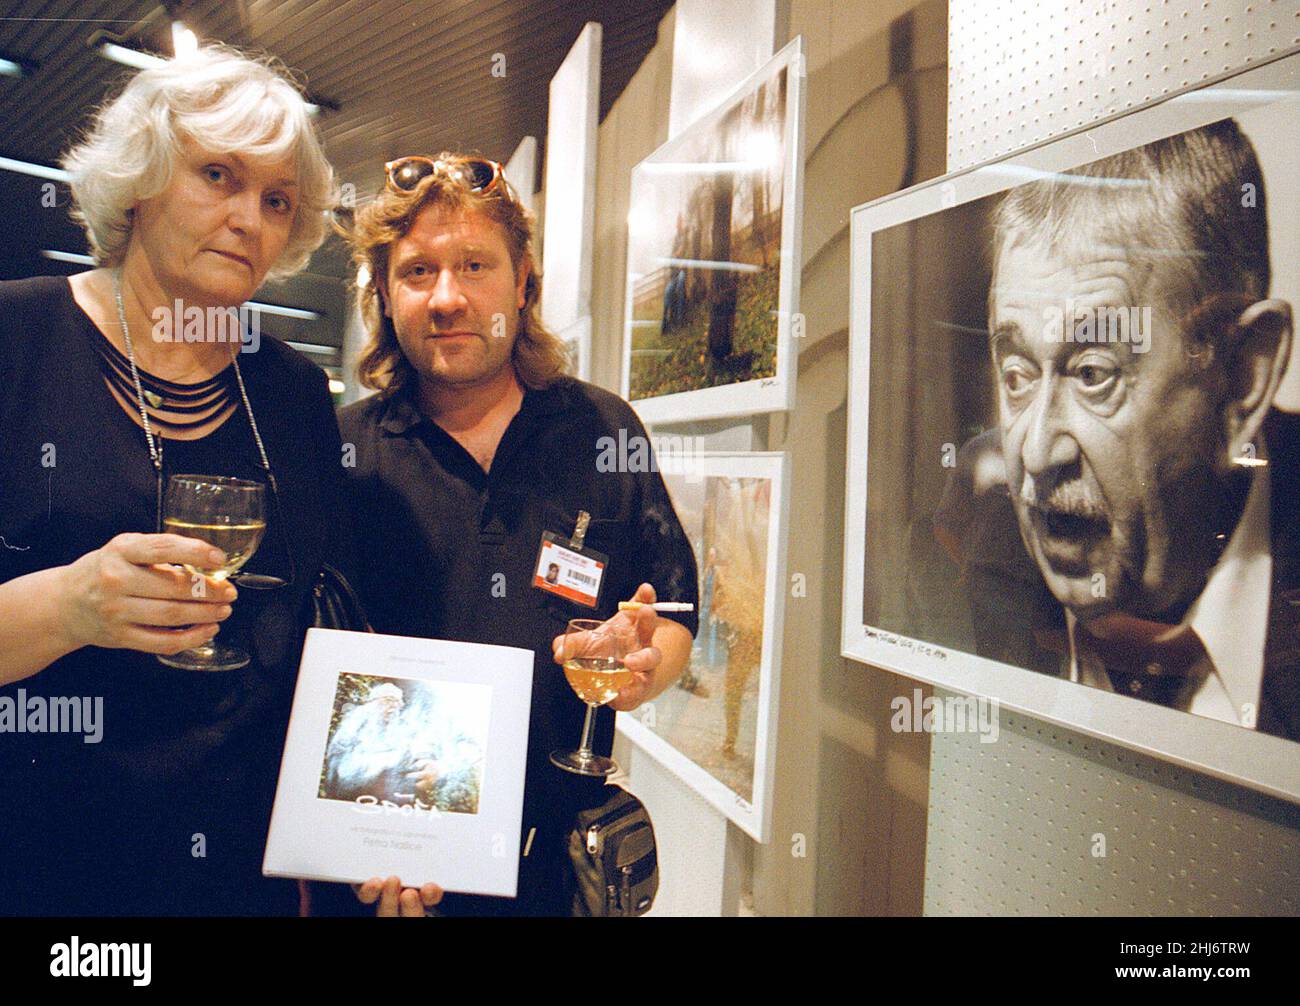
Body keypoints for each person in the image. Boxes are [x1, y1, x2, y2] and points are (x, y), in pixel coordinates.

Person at [0, 45, 341, 915]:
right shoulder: (19, 339)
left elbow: (308, 630)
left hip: (237, 867)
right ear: (144, 181)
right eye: (218, 176)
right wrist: (71, 607)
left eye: (275, 201)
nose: (247, 218)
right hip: (44, 860)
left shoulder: (293, 392)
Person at [335, 152, 699, 916]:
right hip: (389, 863)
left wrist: (642, 669)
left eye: (474, 265)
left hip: (554, 871)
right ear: (382, 294)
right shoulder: (341, 454)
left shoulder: (604, 429)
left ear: (523, 281)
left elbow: (672, 614)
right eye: (416, 272)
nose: (446, 297)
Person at [986, 118, 1298, 739]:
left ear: (1241, 380)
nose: (1038, 451)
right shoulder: (958, 581)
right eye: (1017, 374)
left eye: (1093, 373)